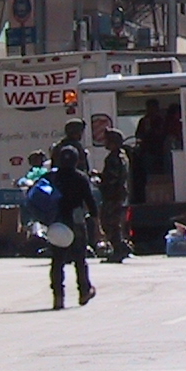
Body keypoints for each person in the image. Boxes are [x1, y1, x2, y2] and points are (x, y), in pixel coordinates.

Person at [45, 141, 97, 309]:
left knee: (57, 261)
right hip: (76, 222)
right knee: (80, 260)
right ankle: (83, 291)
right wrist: (97, 222)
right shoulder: (80, 177)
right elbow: (90, 201)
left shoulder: (52, 177)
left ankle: (58, 297)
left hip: (57, 222)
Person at [97, 130, 132, 263]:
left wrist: (100, 182)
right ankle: (120, 247)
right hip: (118, 194)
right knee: (114, 222)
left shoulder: (114, 158)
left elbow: (112, 179)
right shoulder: (122, 156)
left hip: (113, 195)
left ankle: (119, 249)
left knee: (109, 223)